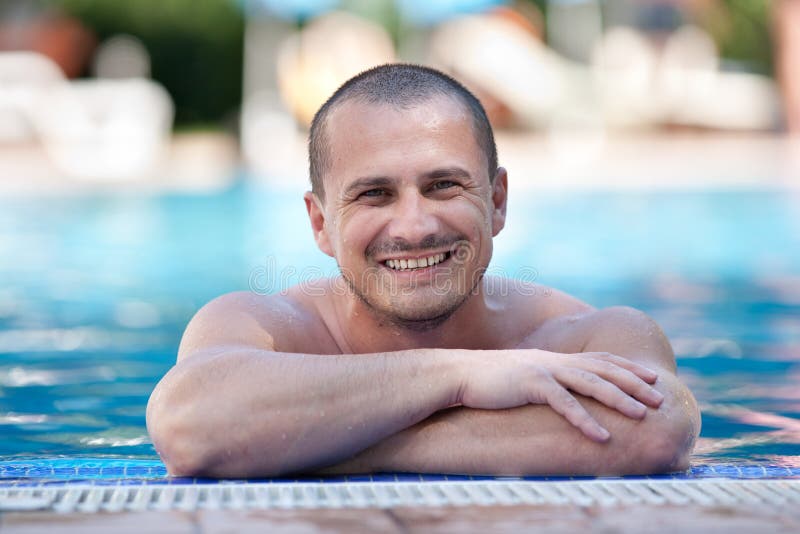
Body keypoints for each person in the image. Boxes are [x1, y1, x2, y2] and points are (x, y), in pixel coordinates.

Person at [146, 64, 700, 478]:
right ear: (320, 224)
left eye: (443, 186)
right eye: (374, 194)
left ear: (498, 200)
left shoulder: (583, 336)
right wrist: (459, 377)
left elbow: (656, 429)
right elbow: (188, 424)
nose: (412, 227)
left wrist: (307, 440)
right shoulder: (266, 324)